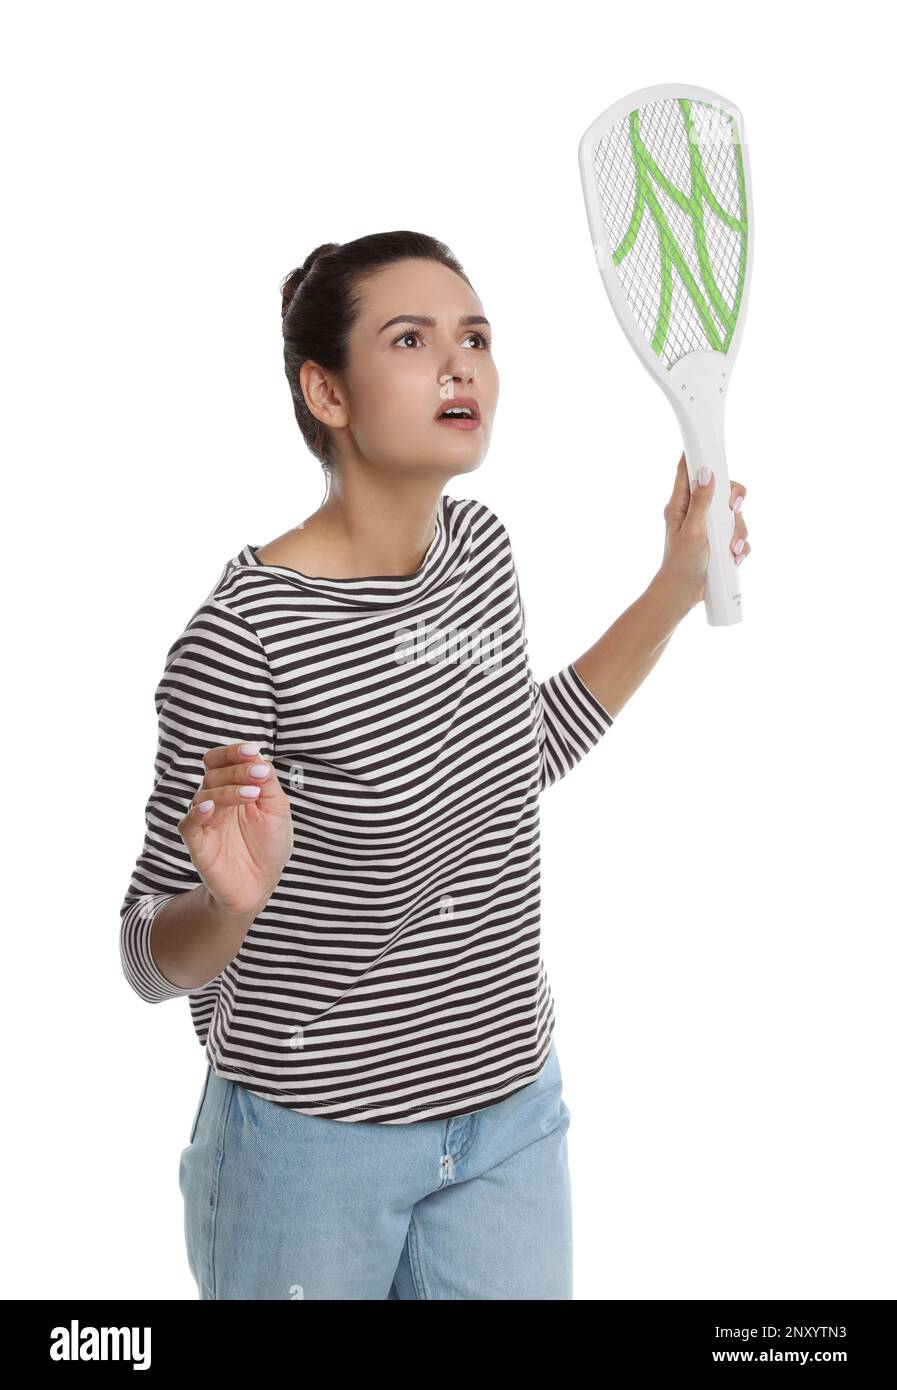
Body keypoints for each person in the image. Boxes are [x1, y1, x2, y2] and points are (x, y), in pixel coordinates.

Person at [119, 230, 750, 1299]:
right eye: (410, 339)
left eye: (477, 337)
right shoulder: (246, 636)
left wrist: (676, 587)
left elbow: (517, 753)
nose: (461, 365)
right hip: (308, 1150)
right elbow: (144, 952)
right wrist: (229, 906)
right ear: (328, 391)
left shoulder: (481, 552)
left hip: (509, 1115)